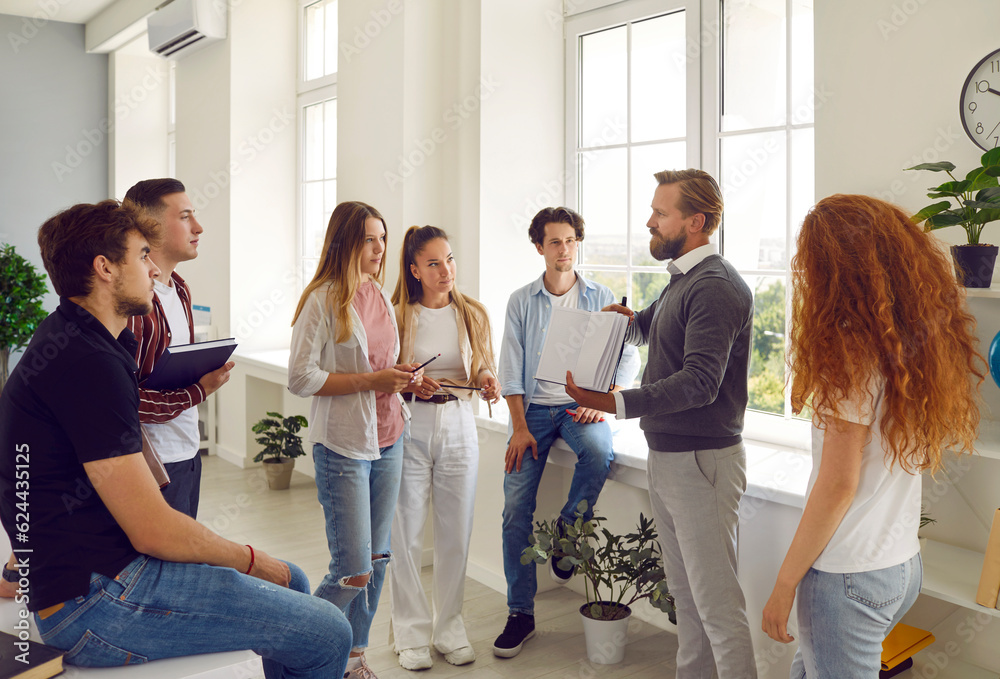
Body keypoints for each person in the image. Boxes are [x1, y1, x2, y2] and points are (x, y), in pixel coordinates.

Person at [0, 200, 350, 677]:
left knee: (294, 580)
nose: (153, 270)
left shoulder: (75, 337)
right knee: (329, 630)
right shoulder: (88, 363)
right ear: (105, 268)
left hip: (87, 581)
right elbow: (153, 531)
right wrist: (252, 559)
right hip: (96, 603)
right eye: (143, 255)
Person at [760, 195, 983, 677]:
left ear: (833, 269)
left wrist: (784, 584)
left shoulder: (848, 350)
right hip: (901, 566)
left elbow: (839, 484)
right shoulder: (911, 345)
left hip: (847, 576)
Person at [566, 169, 757, 678]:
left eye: (660, 212)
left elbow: (699, 383)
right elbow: (648, 328)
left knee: (718, 609)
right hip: (673, 458)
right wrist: (622, 323)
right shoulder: (684, 280)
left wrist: (612, 402)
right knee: (689, 603)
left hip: (701, 462)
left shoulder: (715, 286)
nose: (649, 221)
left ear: (695, 221)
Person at [493, 206, 639, 658]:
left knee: (599, 453)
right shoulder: (522, 301)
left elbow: (628, 355)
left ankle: (567, 531)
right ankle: (521, 613)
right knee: (515, 509)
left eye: (571, 240)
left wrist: (606, 399)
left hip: (581, 406)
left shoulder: (601, 296)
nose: (564, 249)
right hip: (534, 409)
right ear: (539, 247)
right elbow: (510, 369)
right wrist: (519, 427)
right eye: (555, 242)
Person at [288, 201, 422, 679]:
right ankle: (291, 645)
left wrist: (405, 378)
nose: (380, 248)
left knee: (378, 559)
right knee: (352, 569)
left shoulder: (379, 294)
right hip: (344, 447)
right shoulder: (322, 299)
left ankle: (352, 658)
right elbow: (301, 377)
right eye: (369, 239)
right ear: (345, 241)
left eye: (382, 238)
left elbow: (382, 366)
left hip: (390, 438)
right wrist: (372, 381)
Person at [388, 226, 501, 671]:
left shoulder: (473, 312)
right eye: (433, 263)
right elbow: (385, 373)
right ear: (415, 270)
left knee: (456, 532)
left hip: (458, 423)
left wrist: (488, 379)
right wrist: (410, 381)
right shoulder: (397, 313)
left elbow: (483, 364)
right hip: (409, 422)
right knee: (406, 533)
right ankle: (410, 634)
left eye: (449, 259)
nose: (445, 270)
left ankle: (449, 628)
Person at [123, 178, 233, 518]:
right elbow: (123, 399)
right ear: (150, 225)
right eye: (185, 217)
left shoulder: (181, 289)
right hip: (151, 462)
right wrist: (200, 390)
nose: (198, 227)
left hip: (187, 451)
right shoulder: (134, 304)